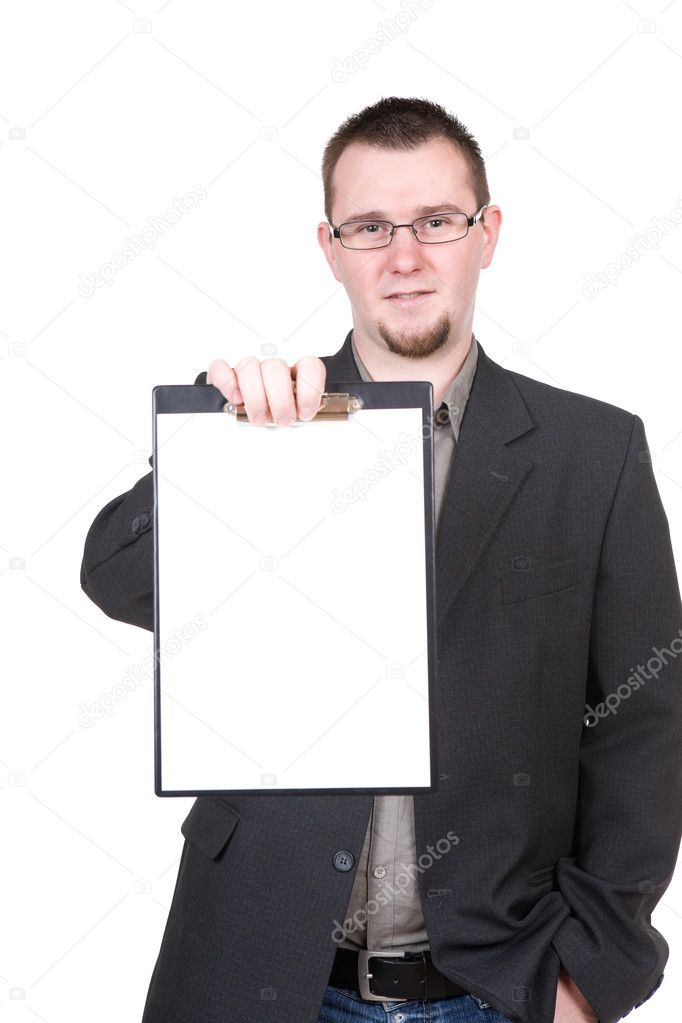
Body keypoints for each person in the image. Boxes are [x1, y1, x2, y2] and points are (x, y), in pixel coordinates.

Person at [80, 97, 682, 1023]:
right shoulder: (261, 430)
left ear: (487, 235)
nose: (404, 257)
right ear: (330, 247)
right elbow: (115, 579)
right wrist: (211, 443)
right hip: (253, 972)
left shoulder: (594, 453)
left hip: (495, 986)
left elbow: (646, 729)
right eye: (370, 227)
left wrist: (588, 978)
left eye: (437, 221)